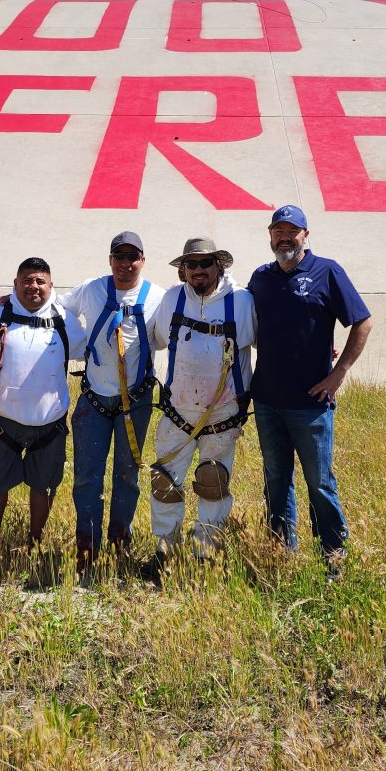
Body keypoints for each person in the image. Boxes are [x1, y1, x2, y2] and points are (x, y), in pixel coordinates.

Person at [248, 205, 374, 581]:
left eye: (292, 231)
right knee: (275, 477)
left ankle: (333, 550)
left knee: (319, 480)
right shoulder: (261, 277)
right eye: (278, 231)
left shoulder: (327, 271)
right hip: (268, 398)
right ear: (270, 235)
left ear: (306, 234)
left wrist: (338, 374)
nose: (284, 238)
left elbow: (363, 321)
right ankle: (281, 548)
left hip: (311, 403)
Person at [141, 237, 256, 578]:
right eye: (191, 264)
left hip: (222, 415)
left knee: (213, 481)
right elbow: (155, 339)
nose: (198, 270)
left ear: (219, 265)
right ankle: (165, 551)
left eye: (205, 263)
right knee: (164, 482)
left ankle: (206, 553)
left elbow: (267, 344)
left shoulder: (242, 301)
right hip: (178, 412)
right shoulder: (172, 299)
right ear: (183, 270)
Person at [63, 231, 168, 576]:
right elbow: (57, 304)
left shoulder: (158, 297)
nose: (125, 264)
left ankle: (119, 544)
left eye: (132, 257)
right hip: (94, 400)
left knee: (128, 476)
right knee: (86, 478)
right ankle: (87, 547)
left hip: (134, 403)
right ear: (110, 260)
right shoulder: (92, 289)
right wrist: (9, 298)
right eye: (119, 257)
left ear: (143, 259)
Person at [0, 257, 81, 577]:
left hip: (50, 426)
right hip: (2, 423)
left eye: (40, 281)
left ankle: (35, 542)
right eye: (27, 280)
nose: (33, 287)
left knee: (44, 486)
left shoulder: (66, 319)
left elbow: (92, 350)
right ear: (16, 282)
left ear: (51, 286)